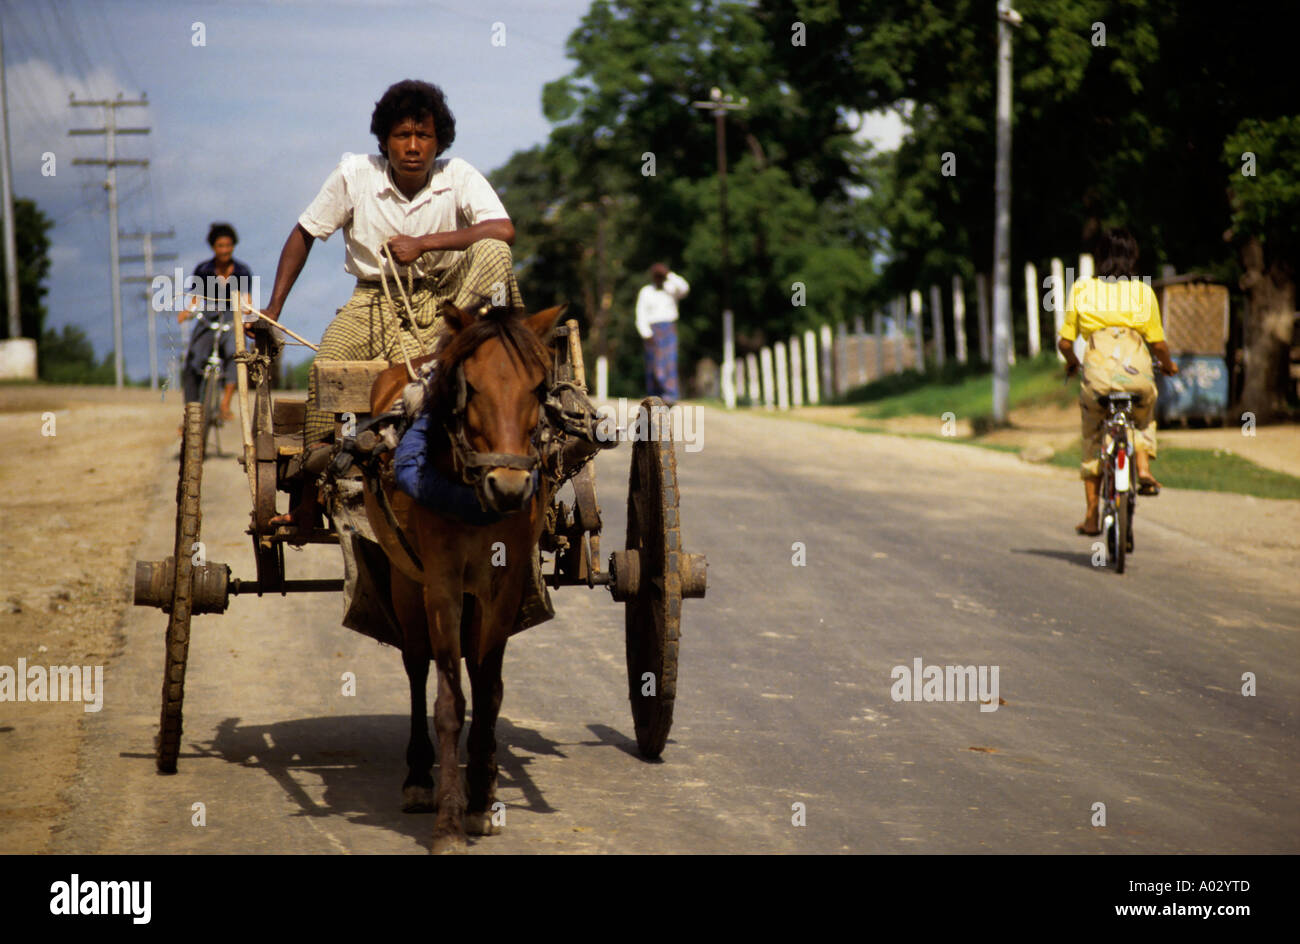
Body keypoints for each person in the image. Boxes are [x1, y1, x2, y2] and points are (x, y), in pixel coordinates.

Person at [259, 79, 522, 532]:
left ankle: (466, 357)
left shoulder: (458, 175)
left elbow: (503, 229)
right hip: (375, 300)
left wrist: (426, 243)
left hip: (445, 300)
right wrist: (273, 311)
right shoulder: (355, 174)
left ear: (440, 142)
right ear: (385, 141)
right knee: (327, 371)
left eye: (425, 136)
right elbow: (304, 233)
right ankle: (309, 495)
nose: (414, 146)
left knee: (495, 252)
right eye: (403, 136)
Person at [1058, 227, 1179, 536]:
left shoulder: (1083, 290)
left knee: (1093, 438)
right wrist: (1168, 366)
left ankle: (1091, 515)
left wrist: (1073, 364)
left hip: (1097, 377)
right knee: (1142, 416)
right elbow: (1160, 345)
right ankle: (1143, 468)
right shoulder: (1143, 292)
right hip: (1136, 374)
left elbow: (1065, 343)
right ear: (1133, 257)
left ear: (1100, 257)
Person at [177, 223, 253, 420]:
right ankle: (191, 416)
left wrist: (248, 318)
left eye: (228, 245)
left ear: (233, 246)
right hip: (208, 314)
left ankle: (225, 404)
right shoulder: (204, 270)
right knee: (194, 359)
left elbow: (246, 300)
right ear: (213, 247)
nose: (225, 250)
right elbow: (196, 298)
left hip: (232, 315)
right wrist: (188, 311)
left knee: (236, 354)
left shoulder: (242, 271)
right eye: (220, 245)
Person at [635, 262, 689, 403]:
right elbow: (640, 314)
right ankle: (654, 396)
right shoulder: (646, 291)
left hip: (668, 328)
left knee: (669, 362)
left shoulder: (671, 289)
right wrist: (646, 333)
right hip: (652, 330)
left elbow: (685, 288)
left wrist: (668, 274)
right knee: (654, 364)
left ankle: (670, 395)